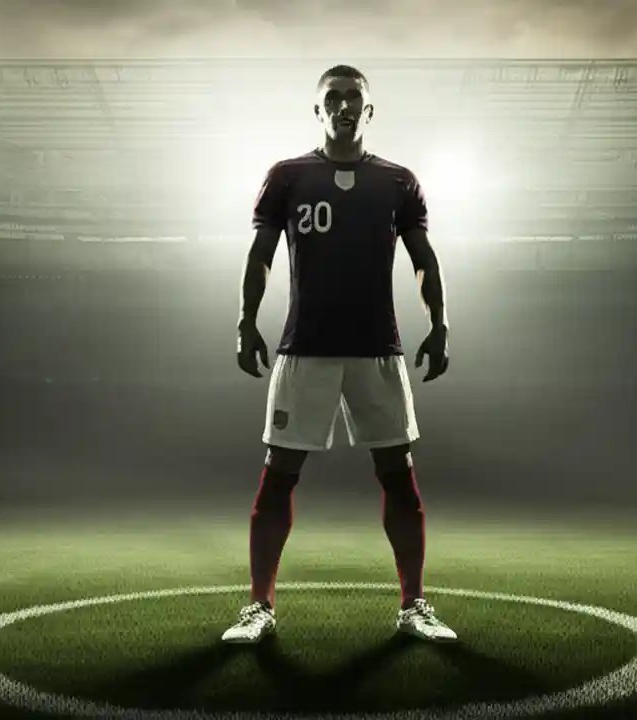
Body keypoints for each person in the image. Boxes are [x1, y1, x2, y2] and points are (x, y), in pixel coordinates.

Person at [224, 64, 455, 644]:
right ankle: (259, 607)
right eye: (334, 98)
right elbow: (260, 257)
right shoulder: (287, 177)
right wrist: (246, 321)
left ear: (369, 112)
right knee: (279, 477)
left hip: (379, 348)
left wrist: (441, 323)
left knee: (398, 476)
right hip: (306, 348)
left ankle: (414, 606)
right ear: (318, 109)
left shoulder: (398, 182)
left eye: (355, 98)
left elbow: (425, 259)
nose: (345, 106)